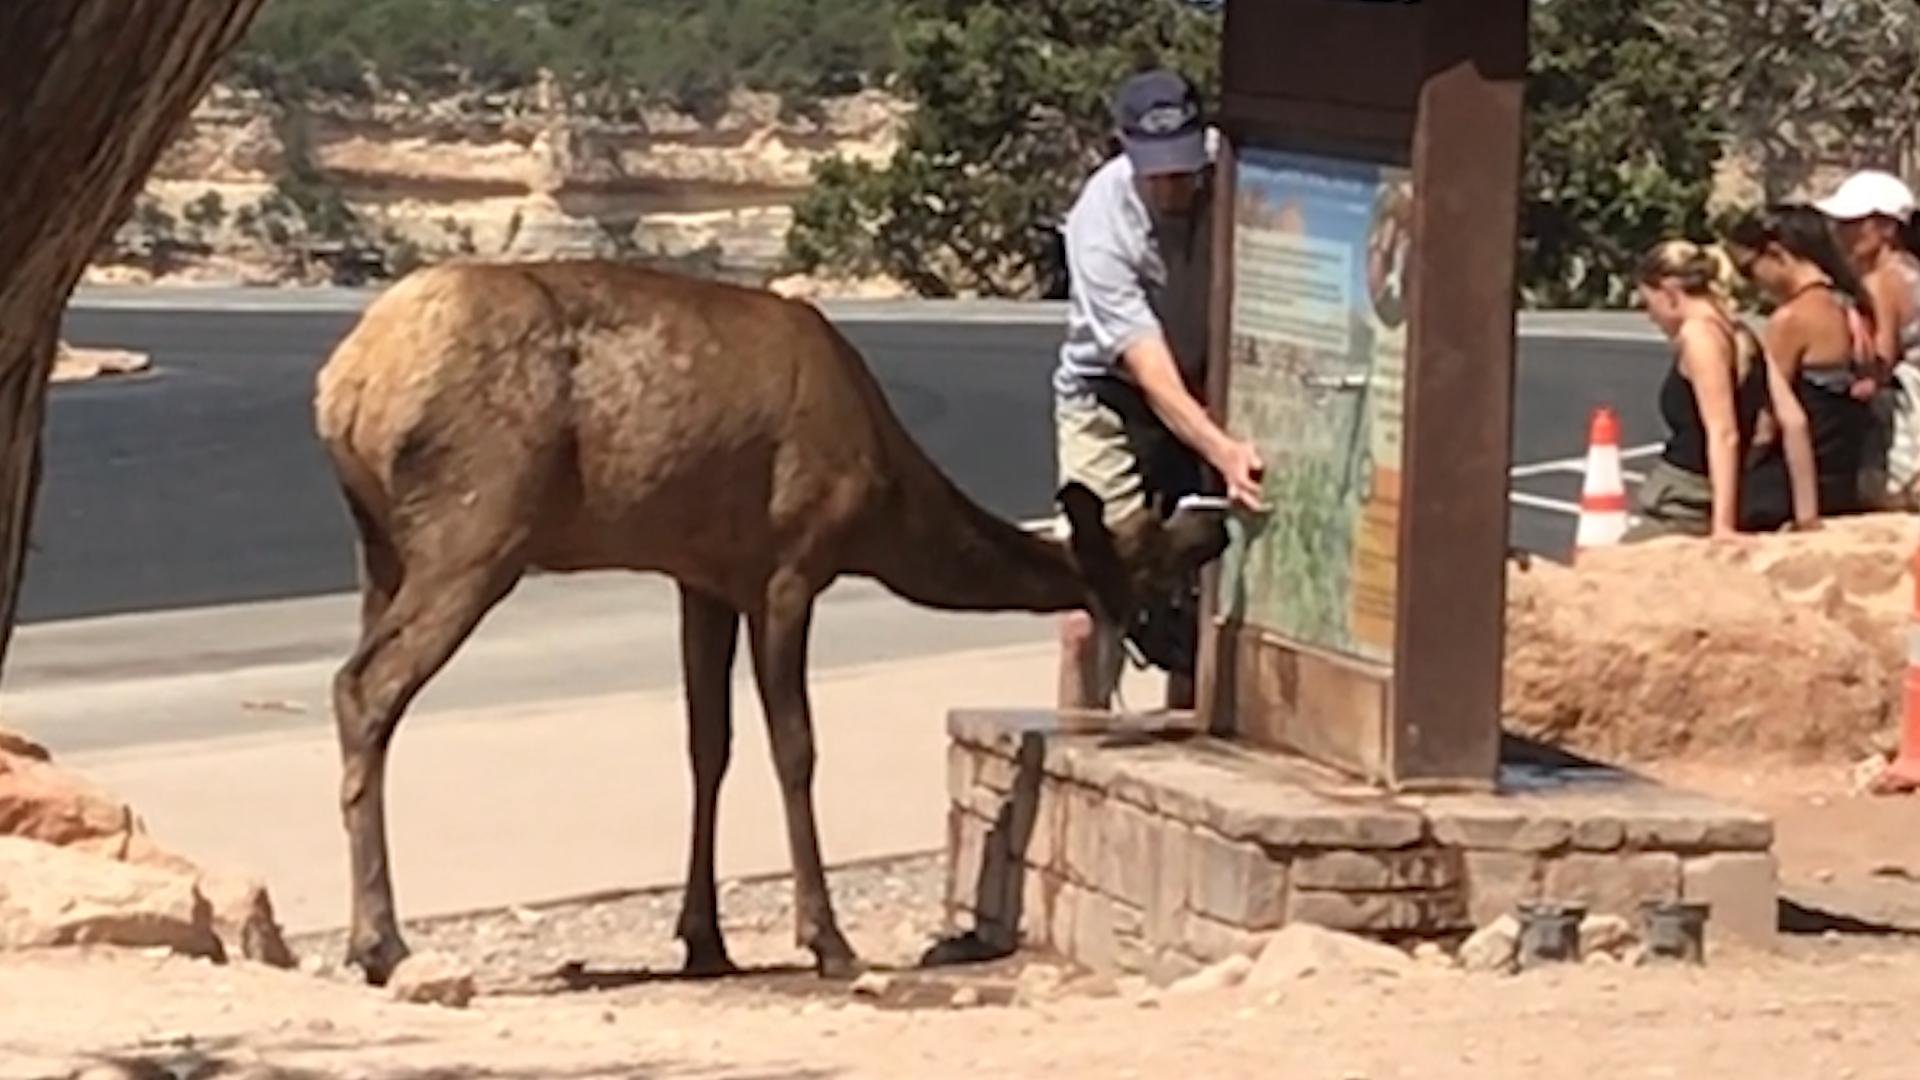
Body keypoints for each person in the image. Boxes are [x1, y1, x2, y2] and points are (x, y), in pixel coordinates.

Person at [1051, 69, 1264, 710]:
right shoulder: (1099, 222)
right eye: (1157, 172)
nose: (1173, 185)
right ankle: (1080, 738)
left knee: (1197, 600)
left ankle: (1187, 725)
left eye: (1183, 167)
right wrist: (1221, 449)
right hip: (1111, 397)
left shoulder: (1236, 175)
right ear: (1126, 149)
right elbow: (1146, 364)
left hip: (1206, 386)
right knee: (1090, 601)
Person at [1627, 240, 1818, 539]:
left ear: (1669, 293)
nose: (1651, 317)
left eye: (1649, 304)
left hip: (1686, 497)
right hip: (1730, 489)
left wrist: (1723, 526)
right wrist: (1807, 515)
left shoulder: (1699, 338)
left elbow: (1724, 433)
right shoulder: (1742, 333)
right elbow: (1794, 420)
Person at [1726, 204, 1879, 518]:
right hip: (1843, 474)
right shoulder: (1852, 306)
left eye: (1748, 269)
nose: (1752, 282)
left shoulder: (1791, 320)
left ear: (1776, 253)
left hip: (1792, 484)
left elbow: (1770, 420)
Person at [1817, 169, 1920, 509]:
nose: (1840, 232)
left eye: (1853, 223)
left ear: (1886, 228)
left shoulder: (1879, 282)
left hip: (1905, 415)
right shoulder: (1911, 270)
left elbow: (1882, 359)